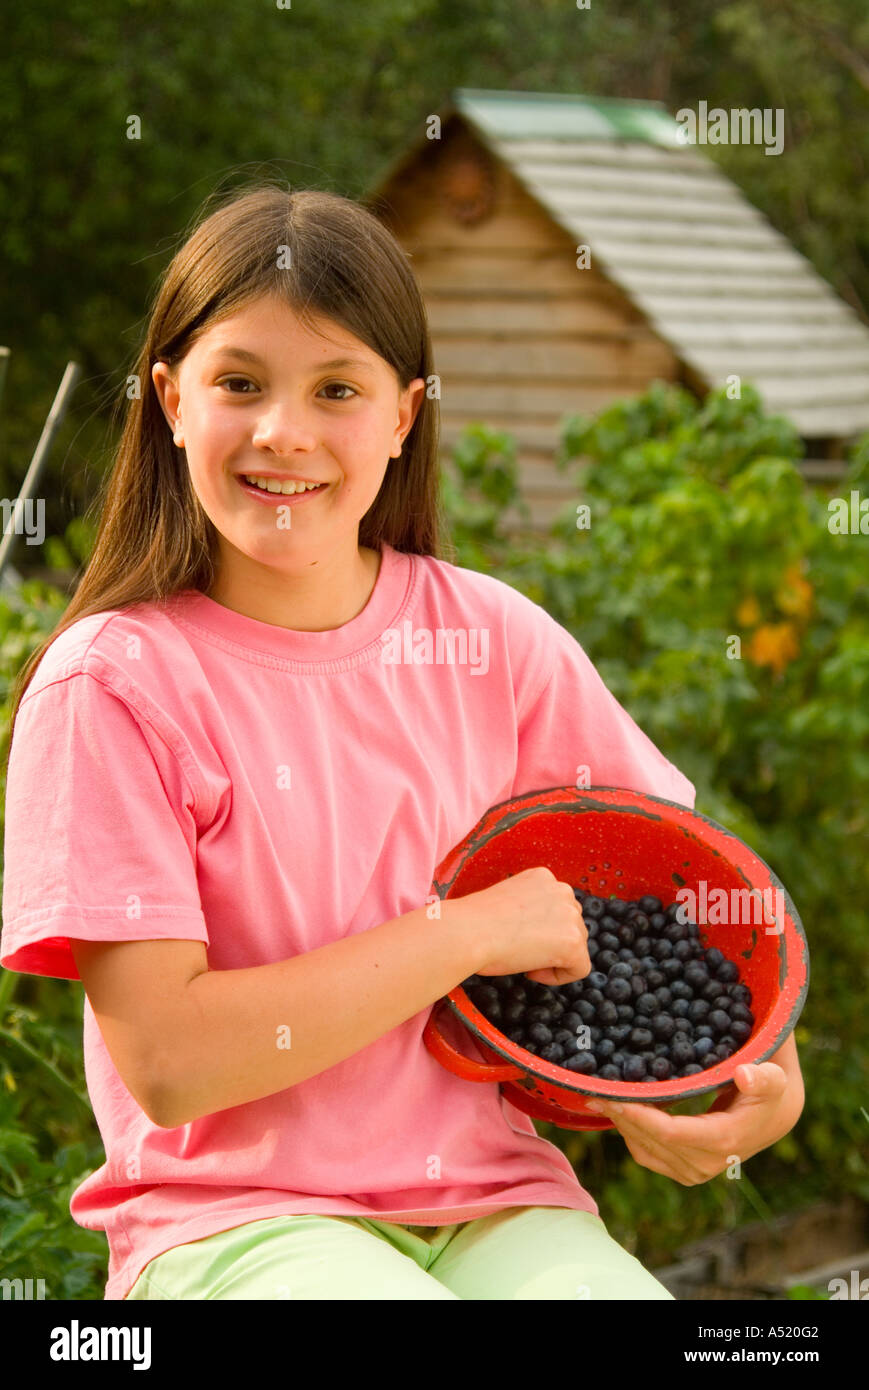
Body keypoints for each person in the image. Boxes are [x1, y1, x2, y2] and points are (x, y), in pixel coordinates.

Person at [0, 180, 783, 1303]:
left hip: (499, 1200)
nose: (284, 432)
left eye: (336, 388)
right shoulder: (112, 686)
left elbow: (683, 892)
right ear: (169, 398)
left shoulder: (493, 641)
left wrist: (762, 1076)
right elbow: (170, 1063)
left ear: (403, 414)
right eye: (239, 383)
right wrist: (458, 935)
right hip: (237, 1223)